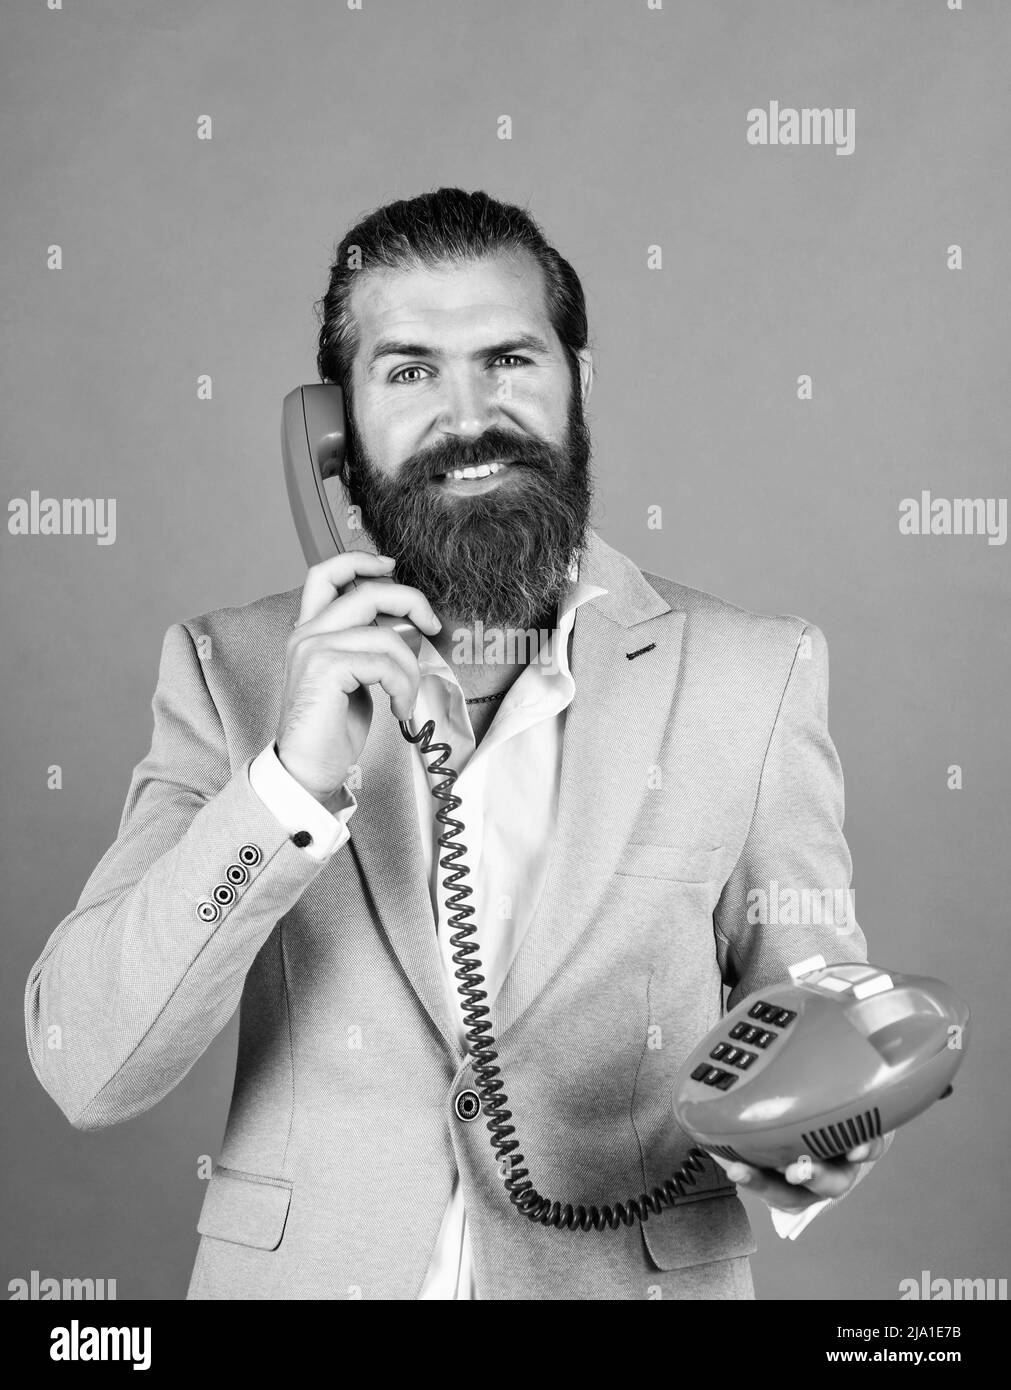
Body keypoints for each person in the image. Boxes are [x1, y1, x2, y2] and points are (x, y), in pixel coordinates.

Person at [25, 187, 886, 1300]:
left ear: (581, 384)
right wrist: (288, 780)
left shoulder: (752, 672)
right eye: (411, 370)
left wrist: (822, 1124)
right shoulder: (229, 667)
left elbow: (816, 1016)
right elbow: (86, 1064)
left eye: (510, 359)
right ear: (329, 430)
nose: (468, 413)